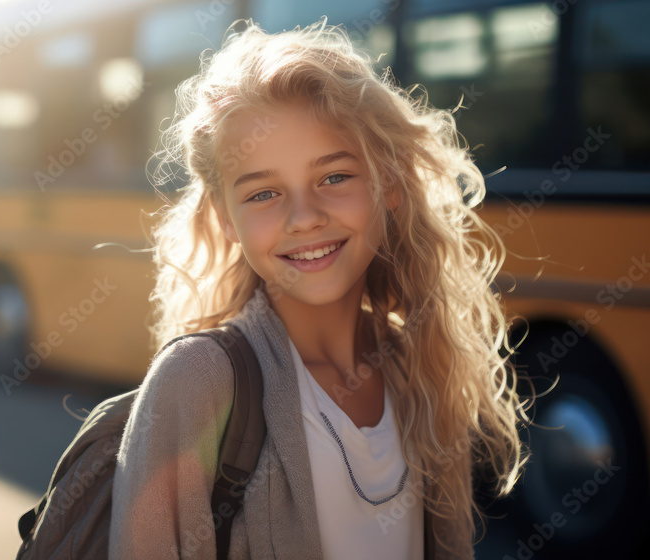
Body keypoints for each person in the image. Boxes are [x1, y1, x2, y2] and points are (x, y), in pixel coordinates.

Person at [109, 19, 529, 560]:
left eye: (334, 178)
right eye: (263, 193)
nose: (304, 218)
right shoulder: (196, 383)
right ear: (225, 218)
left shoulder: (418, 368)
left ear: (391, 185)